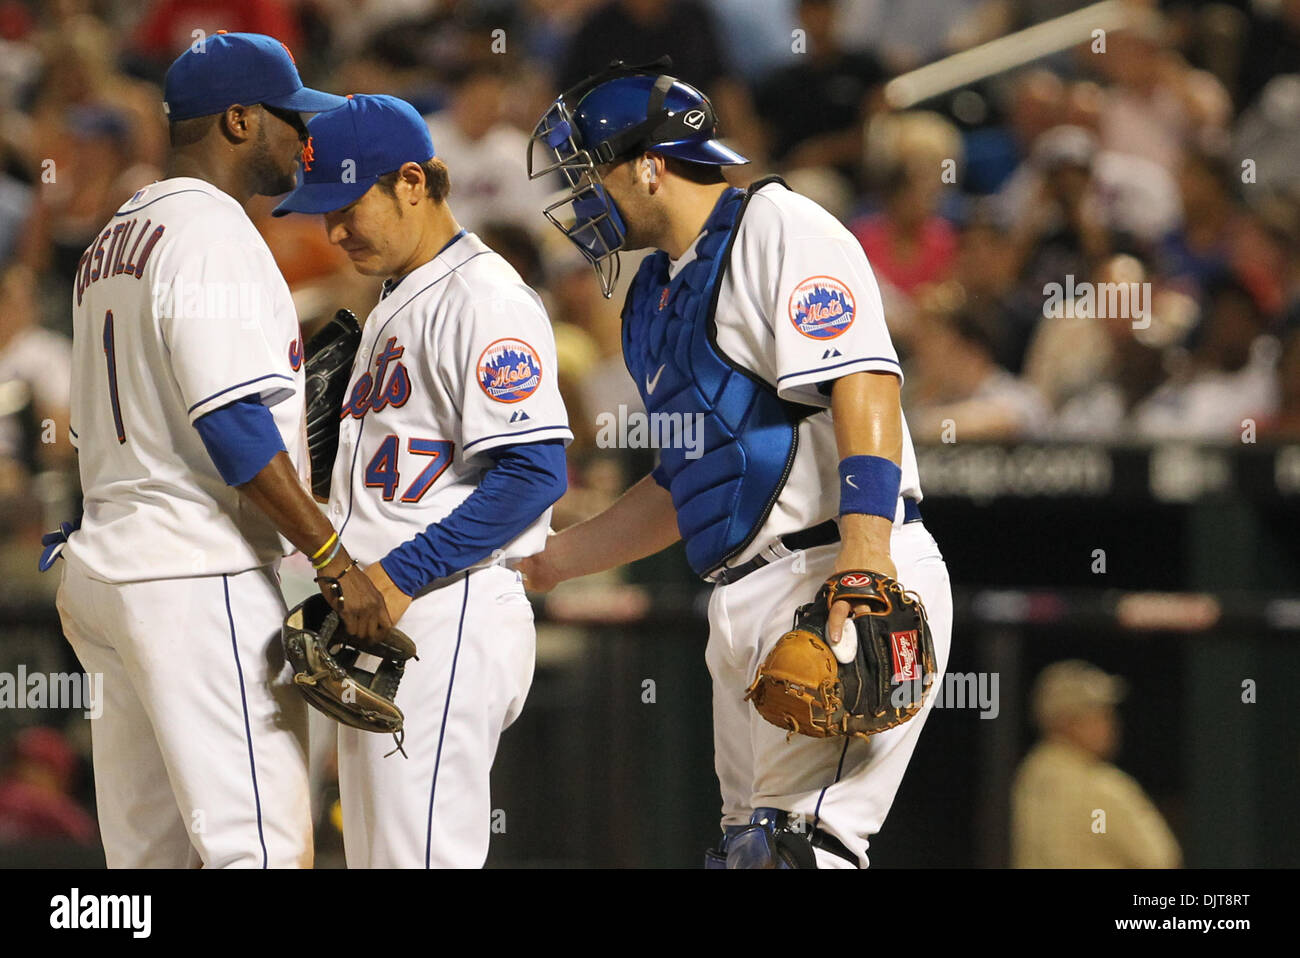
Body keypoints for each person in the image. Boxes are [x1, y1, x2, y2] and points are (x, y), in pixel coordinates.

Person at [521, 62, 953, 868]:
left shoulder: (778, 226)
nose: (579, 201)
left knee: (793, 853)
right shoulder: (654, 293)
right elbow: (686, 481)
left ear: (650, 163)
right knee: (746, 852)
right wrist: (555, 563)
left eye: (589, 173)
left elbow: (864, 380)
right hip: (745, 594)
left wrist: (866, 558)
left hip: (835, 566)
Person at [50, 32, 389, 869]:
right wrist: (335, 559)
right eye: (286, 118)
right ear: (238, 121)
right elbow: (232, 421)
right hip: (193, 574)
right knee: (260, 851)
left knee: (148, 864)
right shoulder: (213, 233)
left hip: (107, 566)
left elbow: (98, 427)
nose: (301, 138)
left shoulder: (112, 239)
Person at [272, 94, 571, 868]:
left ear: (413, 180)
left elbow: (535, 473)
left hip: (444, 606)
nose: (334, 229)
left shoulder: (484, 297)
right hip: (396, 614)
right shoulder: (397, 297)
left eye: (347, 203)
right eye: (323, 211)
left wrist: (398, 578)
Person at [1012, 660, 1182, 868]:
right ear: (1065, 722)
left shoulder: (1030, 776)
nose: (1110, 724)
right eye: (1098, 714)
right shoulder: (1100, 785)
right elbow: (1160, 859)